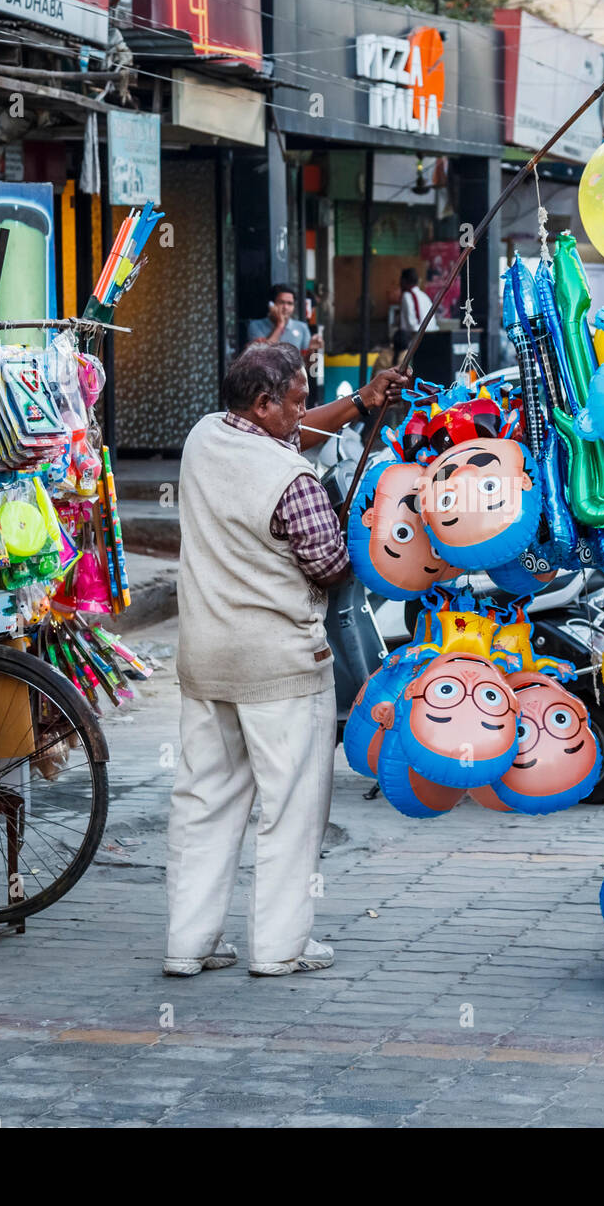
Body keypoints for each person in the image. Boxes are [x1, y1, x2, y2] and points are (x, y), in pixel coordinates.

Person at [165, 344, 410, 978]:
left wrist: (359, 404)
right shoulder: (294, 484)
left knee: (204, 803)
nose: (303, 414)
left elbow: (292, 438)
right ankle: (278, 947)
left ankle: (188, 945)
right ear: (263, 404)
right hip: (279, 668)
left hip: (206, 660)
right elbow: (330, 570)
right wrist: (353, 524)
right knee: (292, 810)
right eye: (296, 401)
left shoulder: (204, 437)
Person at [246, 284, 321, 359]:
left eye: (290, 303)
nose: (286, 307)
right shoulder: (256, 325)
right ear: (271, 305)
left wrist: (313, 350)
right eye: (281, 302)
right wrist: (280, 325)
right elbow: (263, 357)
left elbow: (307, 364)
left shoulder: (302, 327)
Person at [394, 267, 434, 357]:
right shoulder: (425, 296)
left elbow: (412, 326)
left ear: (404, 281)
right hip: (430, 340)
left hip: (414, 344)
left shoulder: (407, 296)